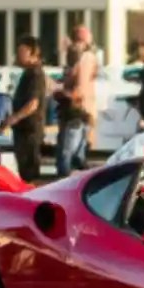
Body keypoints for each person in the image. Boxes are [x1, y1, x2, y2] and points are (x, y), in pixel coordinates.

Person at [0, 36, 48, 183]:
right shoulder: (27, 73)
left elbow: (33, 103)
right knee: (23, 170)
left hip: (29, 131)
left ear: (33, 53)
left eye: (22, 52)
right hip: (23, 131)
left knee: (29, 173)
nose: (17, 56)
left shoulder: (35, 74)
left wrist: (14, 118)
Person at [56, 25, 97, 176]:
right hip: (83, 111)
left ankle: (65, 180)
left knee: (68, 152)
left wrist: (61, 92)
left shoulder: (83, 61)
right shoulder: (88, 60)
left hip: (75, 111)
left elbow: (78, 90)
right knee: (77, 154)